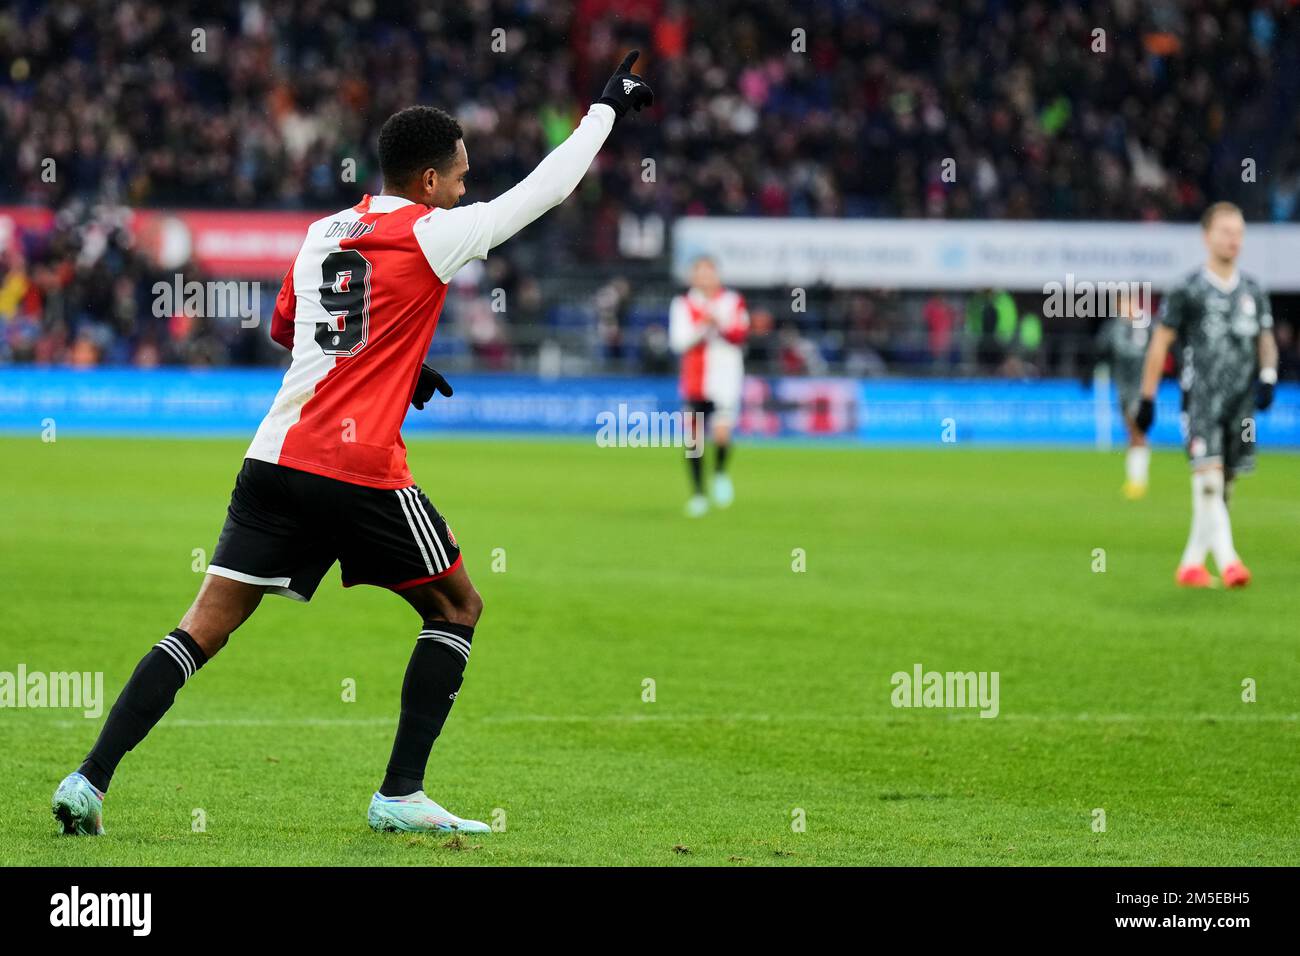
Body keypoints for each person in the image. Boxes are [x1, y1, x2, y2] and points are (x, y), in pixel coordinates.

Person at [51, 53, 654, 836]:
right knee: (457, 605)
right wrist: (605, 108)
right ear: (430, 181)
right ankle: (400, 792)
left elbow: (290, 331)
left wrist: (397, 359)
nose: (468, 188)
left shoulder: (320, 233)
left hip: (273, 458)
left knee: (204, 624)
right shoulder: (434, 233)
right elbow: (548, 189)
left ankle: (88, 780)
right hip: (357, 466)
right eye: (462, 177)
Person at [1134, 202, 1278, 588]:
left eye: (1239, 232)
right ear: (1206, 236)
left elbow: (1266, 339)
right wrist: (1147, 399)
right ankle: (1230, 563)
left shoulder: (1252, 290)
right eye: (1226, 231)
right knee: (1209, 480)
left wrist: (1268, 376)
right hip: (1199, 400)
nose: (1234, 240)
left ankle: (1192, 563)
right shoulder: (1187, 290)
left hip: (1240, 404)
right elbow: (1159, 344)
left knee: (1225, 484)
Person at [669, 256, 749, 516]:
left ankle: (720, 473)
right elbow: (678, 342)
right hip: (694, 379)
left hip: (725, 378)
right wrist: (703, 327)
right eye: (699, 273)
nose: (704, 278)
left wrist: (720, 325)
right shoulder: (683, 304)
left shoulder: (732, 301)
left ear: (717, 275)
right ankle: (698, 495)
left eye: (708, 273)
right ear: (693, 277)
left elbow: (740, 334)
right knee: (694, 440)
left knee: (722, 434)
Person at [1094, 287, 1152, 498]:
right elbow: (1100, 348)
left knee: (1137, 432)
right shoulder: (1115, 327)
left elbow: (1163, 347)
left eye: (1127, 302)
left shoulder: (1146, 325)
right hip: (1122, 386)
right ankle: (1135, 479)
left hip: (1142, 387)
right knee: (1131, 431)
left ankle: (1138, 481)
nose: (1123, 307)